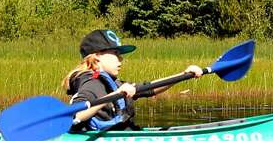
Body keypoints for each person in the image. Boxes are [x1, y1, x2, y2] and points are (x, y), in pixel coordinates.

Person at [64, 29, 202, 132]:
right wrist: (117, 93)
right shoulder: (92, 83)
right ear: (97, 56)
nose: (121, 59)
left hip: (124, 135)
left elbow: (149, 88)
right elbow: (76, 115)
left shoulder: (113, 82)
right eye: (116, 54)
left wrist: (183, 75)